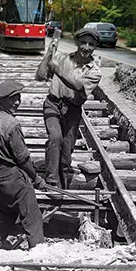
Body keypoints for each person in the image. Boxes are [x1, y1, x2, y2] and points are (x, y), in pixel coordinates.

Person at [0, 80, 46, 251]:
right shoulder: (12, 124)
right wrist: (36, 178)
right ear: (2, 100)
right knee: (32, 216)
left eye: (18, 97)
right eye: (12, 99)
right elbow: (23, 159)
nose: (17, 102)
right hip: (12, 178)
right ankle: (39, 254)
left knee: (8, 211)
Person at [35, 28, 102, 191]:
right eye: (83, 43)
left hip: (72, 109)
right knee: (55, 138)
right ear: (77, 43)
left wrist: (57, 69)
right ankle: (51, 181)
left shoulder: (94, 71)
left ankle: (62, 185)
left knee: (66, 152)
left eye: (91, 44)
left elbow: (78, 85)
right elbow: (39, 75)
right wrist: (49, 54)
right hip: (53, 104)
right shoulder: (62, 58)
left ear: (95, 47)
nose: (86, 47)